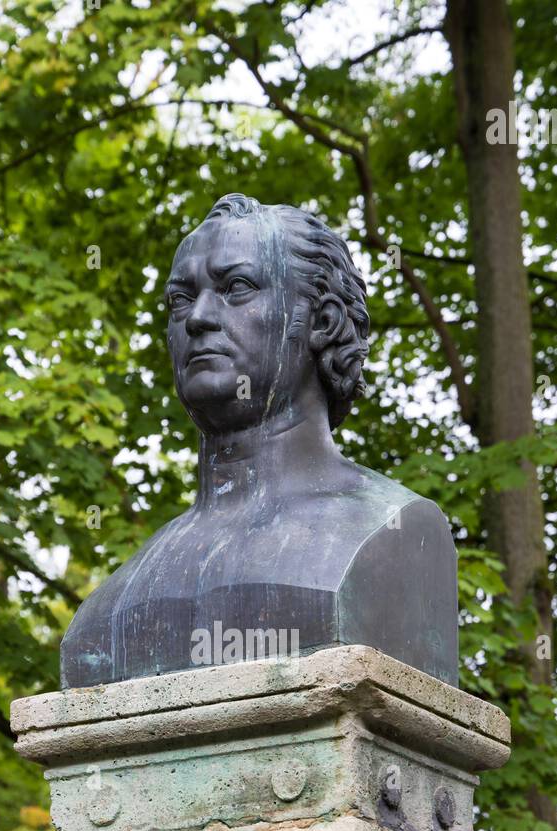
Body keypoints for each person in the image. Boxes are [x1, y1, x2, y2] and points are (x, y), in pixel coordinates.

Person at [60, 193, 458, 689]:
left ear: (323, 322)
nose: (198, 317)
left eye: (237, 287)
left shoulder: (397, 533)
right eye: (180, 299)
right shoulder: (115, 604)